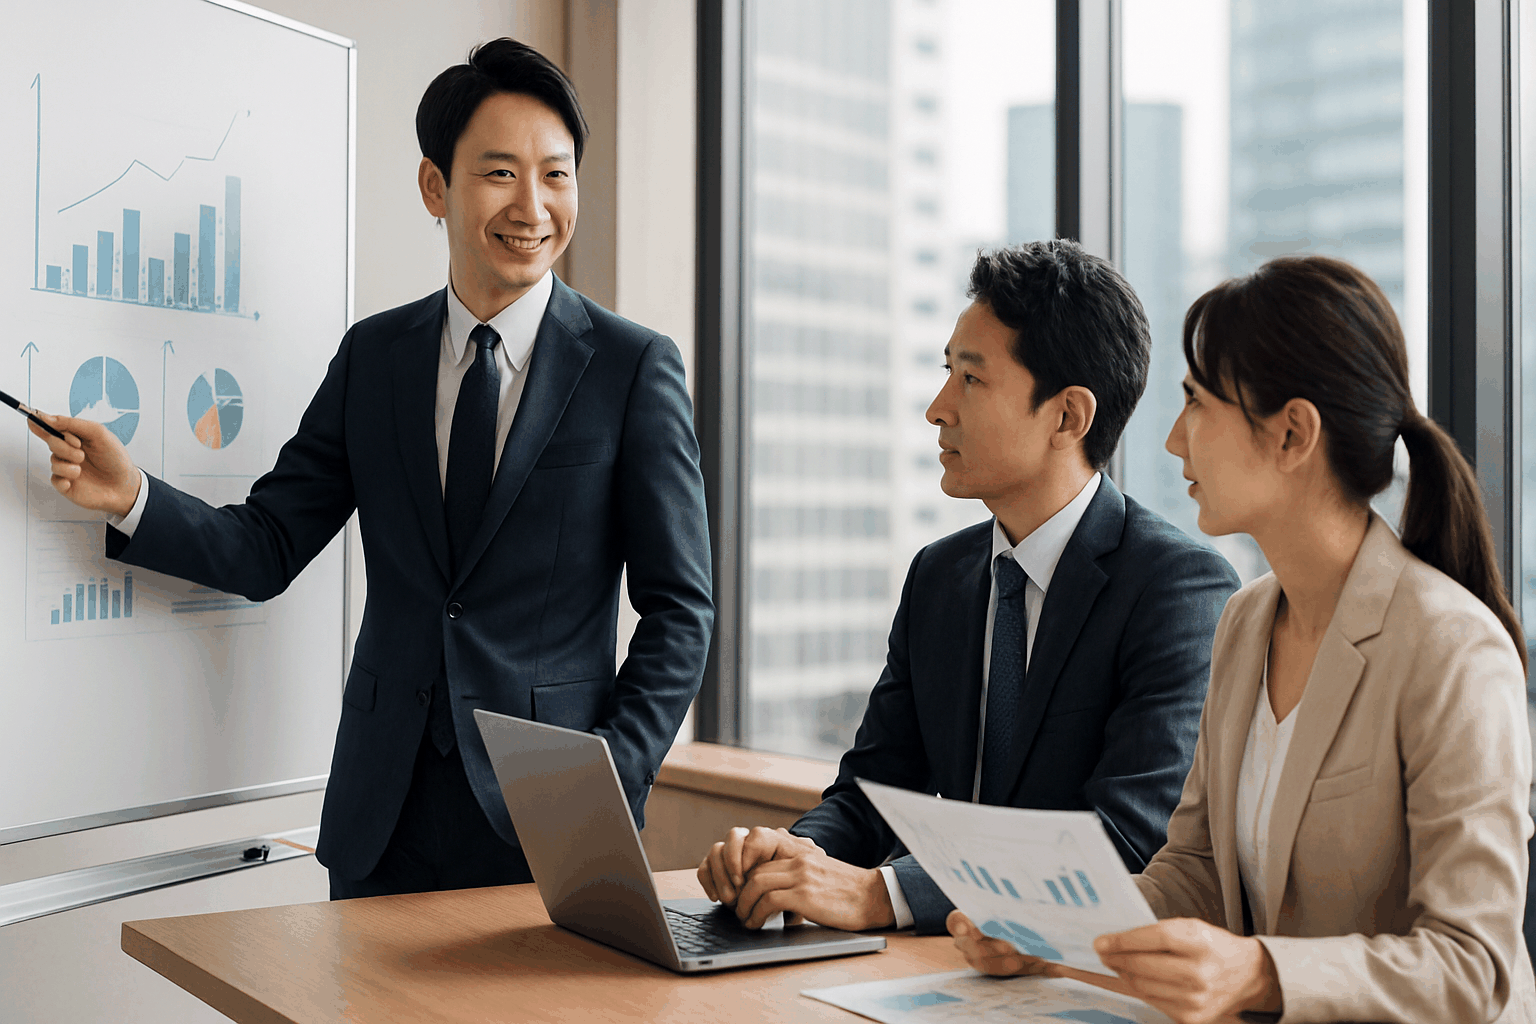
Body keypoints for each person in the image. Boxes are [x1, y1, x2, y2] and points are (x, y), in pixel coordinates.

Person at [30, 39, 713, 900]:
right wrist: (131, 497)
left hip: (549, 825)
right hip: (379, 817)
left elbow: (681, 610)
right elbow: (269, 544)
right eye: (500, 173)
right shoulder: (376, 357)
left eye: (557, 175)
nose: (533, 207)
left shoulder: (632, 366)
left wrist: (609, 778)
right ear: (436, 186)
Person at [950, 255, 1536, 1024]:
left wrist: (1259, 972)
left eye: (1196, 404)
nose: (1170, 440)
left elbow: (1472, 964)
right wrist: (1052, 930)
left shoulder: (1454, 650)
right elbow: (1192, 868)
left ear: (1291, 433)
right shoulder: (1248, 619)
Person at [697, 240, 1240, 934]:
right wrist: (795, 856)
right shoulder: (939, 576)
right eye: (946, 372)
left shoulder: (1177, 589)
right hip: (945, 966)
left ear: (1068, 416)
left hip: (1075, 978)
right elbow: (873, 794)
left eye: (972, 380)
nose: (936, 408)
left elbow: (1122, 840)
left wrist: (882, 895)